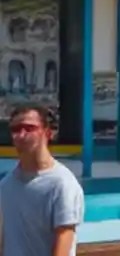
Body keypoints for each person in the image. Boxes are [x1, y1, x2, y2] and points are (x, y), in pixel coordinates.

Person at [0, 103, 85, 256]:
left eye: (29, 128)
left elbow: (64, 238)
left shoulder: (61, 184)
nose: (21, 135)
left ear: (47, 133)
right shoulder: (6, 185)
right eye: (16, 130)